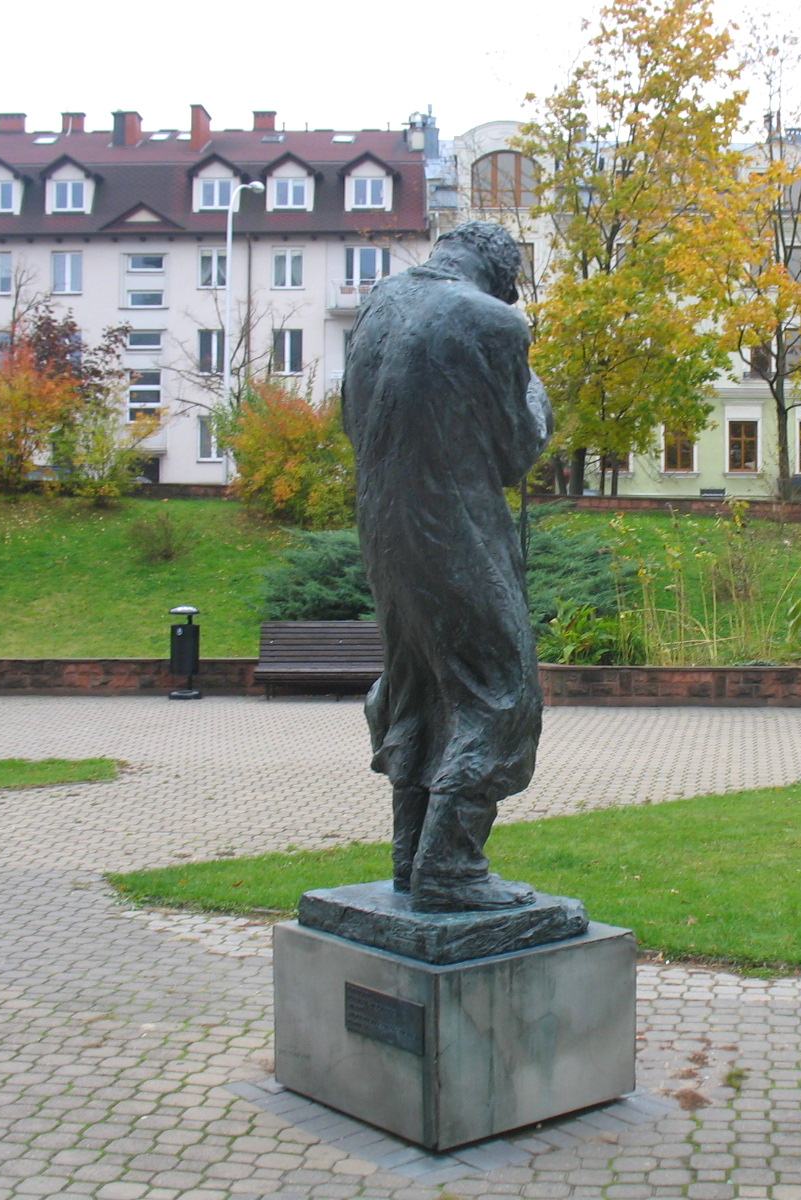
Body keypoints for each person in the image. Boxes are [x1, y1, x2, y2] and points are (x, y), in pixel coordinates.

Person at [341, 221, 552, 913]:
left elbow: (352, 420)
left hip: (383, 524)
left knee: (420, 687)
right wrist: (536, 396)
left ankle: (411, 859)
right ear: (503, 278)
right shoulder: (493, 320)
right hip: (454, 525)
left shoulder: (379, 304)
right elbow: (516, 449)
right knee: (500, 689)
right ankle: (452, 867)